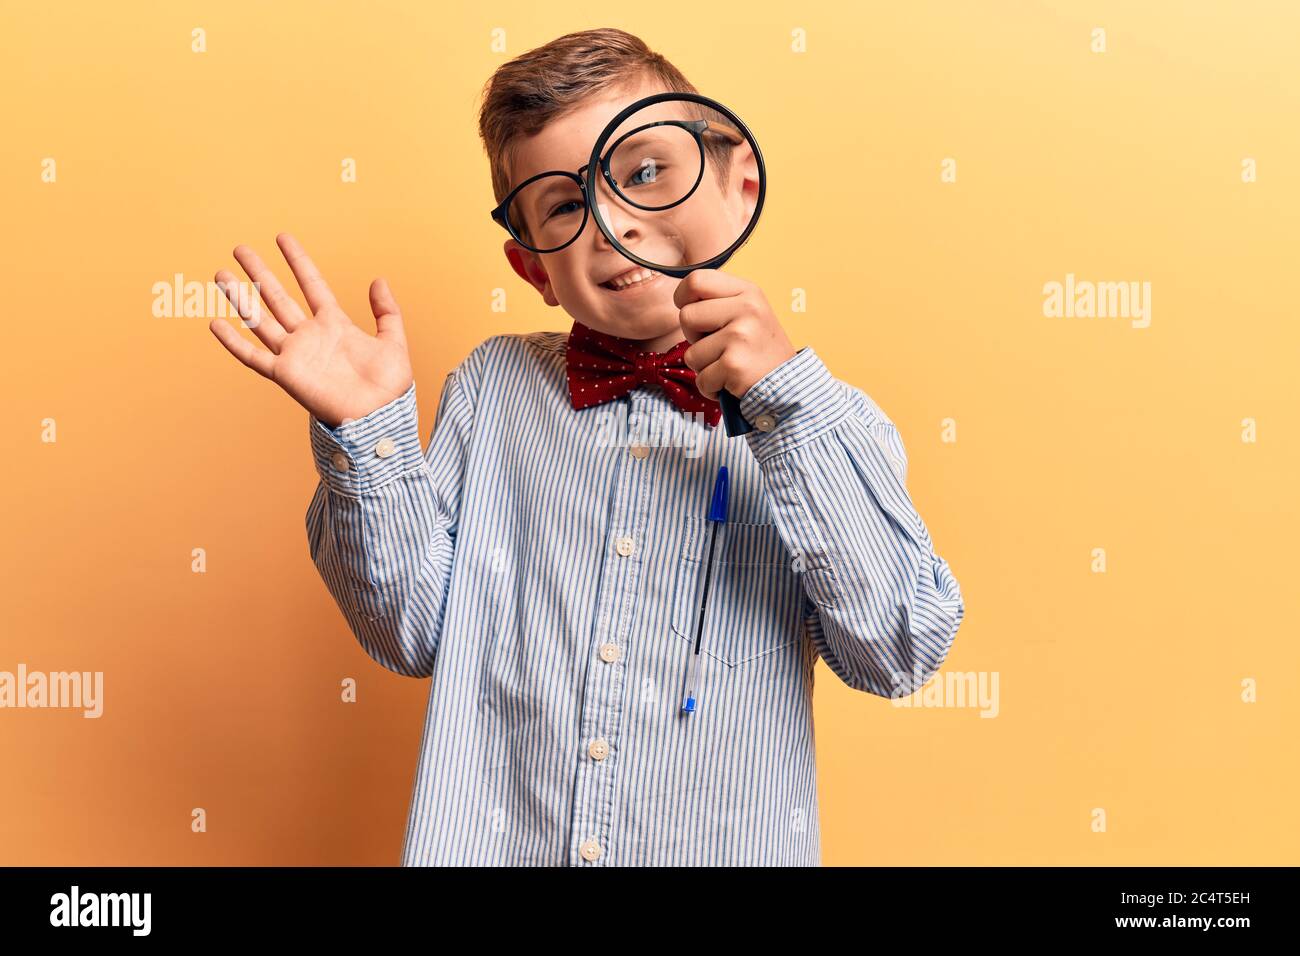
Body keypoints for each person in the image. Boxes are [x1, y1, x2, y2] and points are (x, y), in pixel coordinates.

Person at [208, 27, 964, 866]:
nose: (610, 225)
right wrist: (367, 432)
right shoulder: (493, 391)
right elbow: (410, 634)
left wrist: (783, 403)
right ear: (534, 268)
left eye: (644, 172)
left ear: (739, 184)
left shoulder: (830, 425)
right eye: (565, 205)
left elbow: (899, 650)